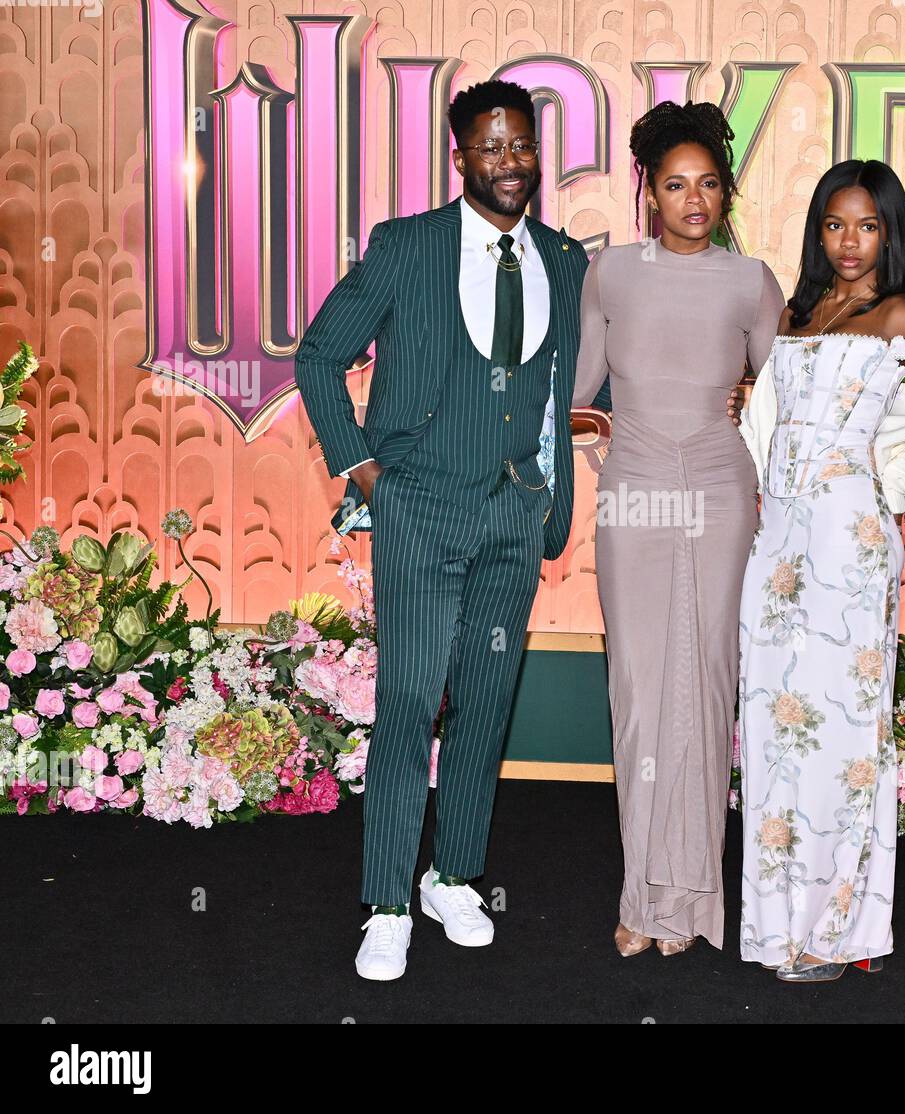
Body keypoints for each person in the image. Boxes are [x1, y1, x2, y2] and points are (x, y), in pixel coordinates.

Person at [294, 80, 591, 981]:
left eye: (522, 146)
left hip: (515, 508)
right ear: (459, 156)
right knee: (409, 704)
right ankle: (386, 901)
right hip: (418, 509)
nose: (509, 163)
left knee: (486, 704)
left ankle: (453, 875)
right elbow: (318, 356)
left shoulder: (567, 259)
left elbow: (587, 384)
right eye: (490, 148)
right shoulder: (406, 247)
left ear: (539, 152)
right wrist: (369, 474)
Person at [734, 159, 905, 982]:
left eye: (867, 226)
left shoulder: (898, 315)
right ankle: (778, 919)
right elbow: (779, 415)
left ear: (891, 233)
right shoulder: (799, 311)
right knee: (778, 729)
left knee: (842, 739)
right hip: (778, 540)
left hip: (847, 545)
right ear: (817, 231)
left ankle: (837, 928)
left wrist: (891, 478)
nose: (849, 242)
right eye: (834, 224)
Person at [572, 101, 785, 957]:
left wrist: (750, 405)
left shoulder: (752, 280)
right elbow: (581, 392)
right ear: (648, 193)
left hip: (721, 488)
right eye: (674, 185)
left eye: (707, 184)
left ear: (726, 192)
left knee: (705, 686)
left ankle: (694, 905)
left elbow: (789, 400)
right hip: (635, 490)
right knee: (637, 688)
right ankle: (642, 899)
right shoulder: (610, 273)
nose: (692, 199)